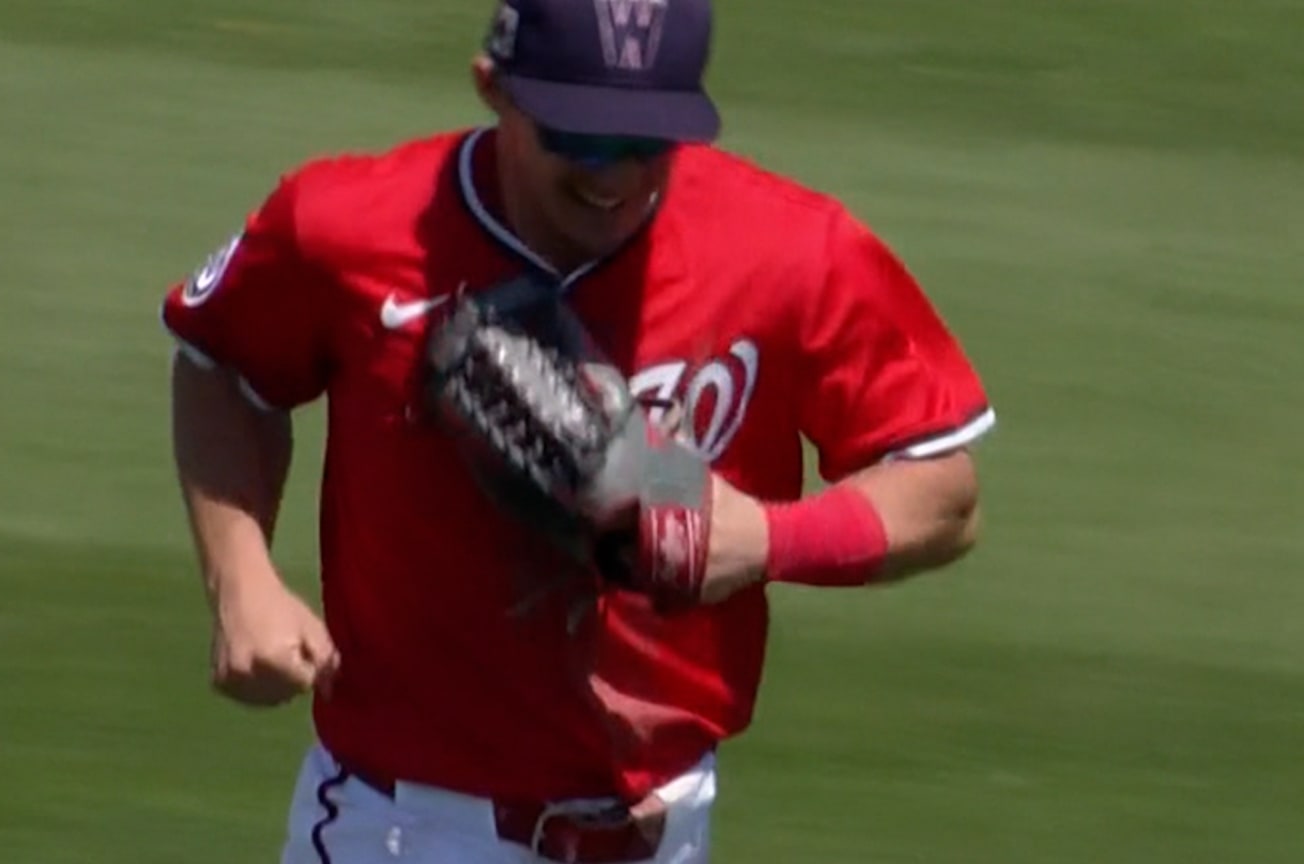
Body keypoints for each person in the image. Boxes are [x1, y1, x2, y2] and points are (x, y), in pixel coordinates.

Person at [160, 0, 994, 861]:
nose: (615, 176)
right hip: (406, 829)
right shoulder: (346, 226)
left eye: (648, 142)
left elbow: (945, 496)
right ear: (494, 89)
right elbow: (223, 367)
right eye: (581, 140)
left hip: (663, 828)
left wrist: (767, 537)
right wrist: (240, 577)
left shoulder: (791, 254)